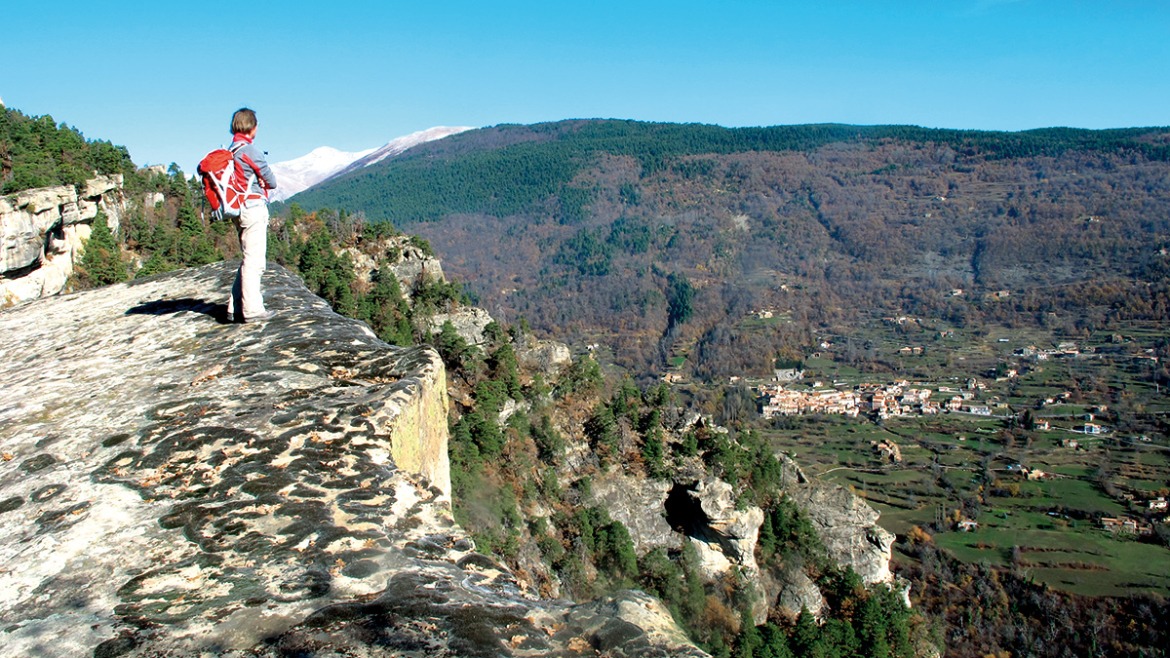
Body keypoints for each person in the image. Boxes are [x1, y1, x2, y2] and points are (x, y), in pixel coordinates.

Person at [225, 107, 278, 323]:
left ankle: (234, 307)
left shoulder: (231, 150)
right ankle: (252, 311)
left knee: (248, 257)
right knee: (255, 262)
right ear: (253, 127)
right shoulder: (250, 151)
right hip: (252, 208)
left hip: (238, 210)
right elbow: (271, 181)